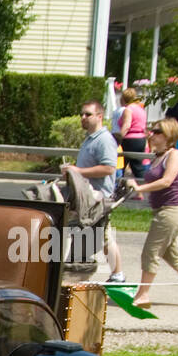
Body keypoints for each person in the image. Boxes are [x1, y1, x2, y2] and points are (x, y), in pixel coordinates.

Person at [126, 118, 178, 310]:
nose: (152, 134)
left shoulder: (174, 155)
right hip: (164, 210)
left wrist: (140, 188)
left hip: (173, 210)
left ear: (168, 135)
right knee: (172, 254)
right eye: (151, 130)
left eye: (157, 131)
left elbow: (167, 181)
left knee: (151, 251)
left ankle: (143, 294)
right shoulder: (158, 156)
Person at [61, 99, 125, 282]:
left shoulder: (104, 140)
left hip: (98, 198)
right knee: (102, 236)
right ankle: (115, 274)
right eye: (82, 114)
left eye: (88, 114)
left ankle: (116, 275)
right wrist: (72, 170)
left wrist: (78, 171)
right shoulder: (90, 139)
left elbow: (109, 168)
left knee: (103, 236)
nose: (83, 117)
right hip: (88, 198)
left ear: (99, 116)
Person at [118, 87, 148, 182]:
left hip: (130, 139)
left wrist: (118, 139)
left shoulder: (128, 109)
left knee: (121, 164)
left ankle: (117, 186)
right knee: (138, 166)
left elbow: (127, 125)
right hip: (141, 138)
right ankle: (143, 188)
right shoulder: (141, 109)